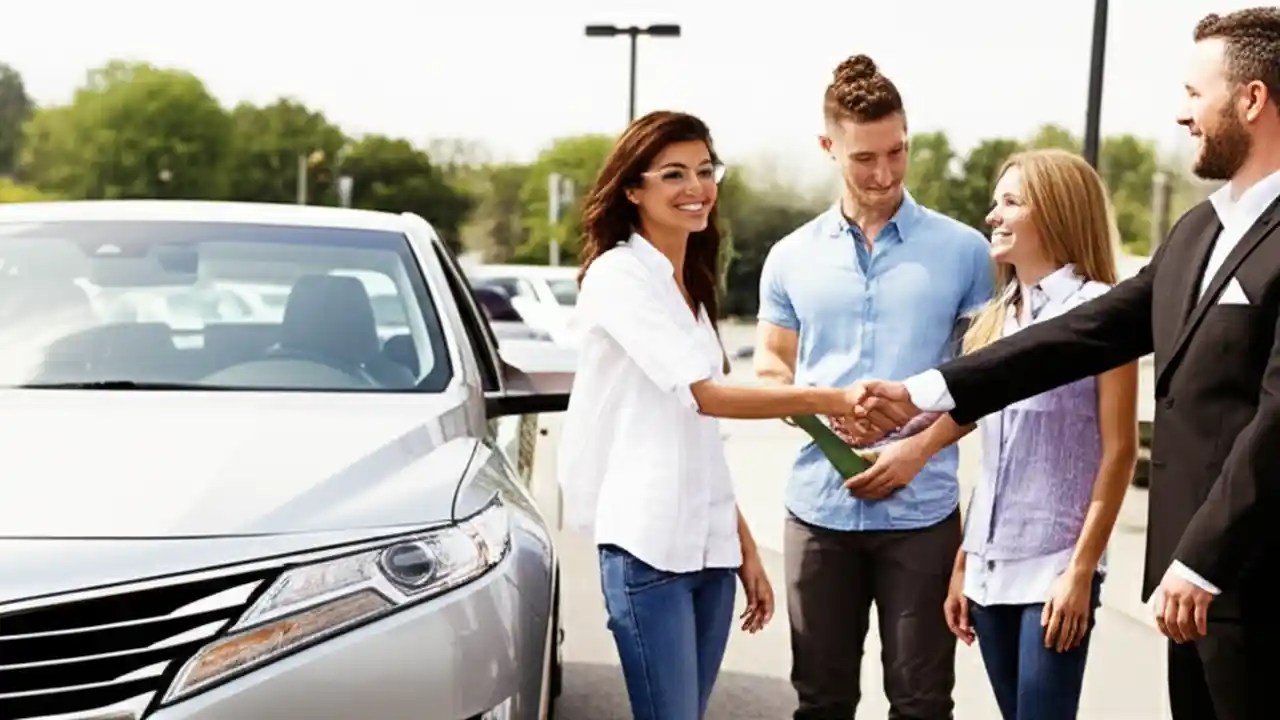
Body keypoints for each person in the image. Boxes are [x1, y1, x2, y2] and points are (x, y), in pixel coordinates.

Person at [853, 9, 1280, 719]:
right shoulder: (1199, 229)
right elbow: (1078, 336)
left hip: (1250, 578)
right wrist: (924, 390)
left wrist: (1204, 558)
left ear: (1252, 100)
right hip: (1190, 594)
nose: (1181, 115)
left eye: (1193, 94)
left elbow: (1277, 420)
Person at [557, 110, 871, 720]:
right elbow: (708, 395)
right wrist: (832, 398)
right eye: (673, 174)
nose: (696, 188)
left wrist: (743, 547)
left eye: (705, 170)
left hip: (708, 553)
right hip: (647, 548)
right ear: (632, 189)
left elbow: (699, 440)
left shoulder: (689, 289)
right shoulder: (619, 276)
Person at [846, 149, 1139, 719]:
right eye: (995, 202)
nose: (992, 217)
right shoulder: (996, 319)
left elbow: (1120, 452)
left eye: (1010, 202)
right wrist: (965, 559)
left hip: (1056, 563)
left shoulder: (1102, 313)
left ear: (1052, 213)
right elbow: (997, 454)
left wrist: (1081, 571)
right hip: (987, 566)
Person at [753, 54, 995, 719]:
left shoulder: (966, 252)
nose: (884, 173)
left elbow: (986, 379)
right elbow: (771, 368)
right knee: (820, 701)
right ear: (829, 147)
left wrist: (916, 449)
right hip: (817, 510)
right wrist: (821, 418)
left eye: (897, 152)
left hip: (921, 514)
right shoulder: (791, 256)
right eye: (865, 158)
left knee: (922, 703)